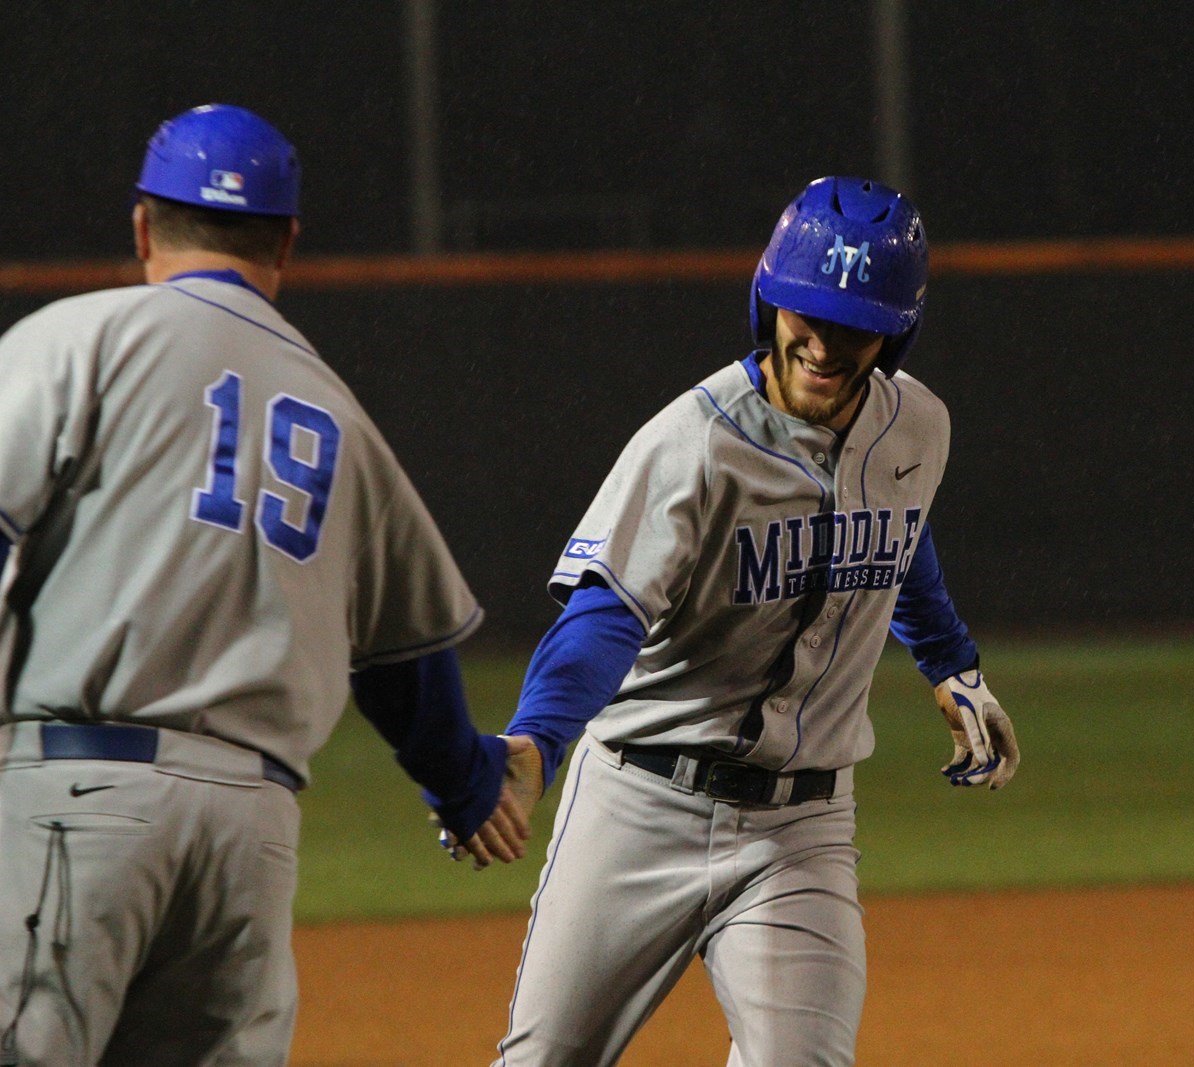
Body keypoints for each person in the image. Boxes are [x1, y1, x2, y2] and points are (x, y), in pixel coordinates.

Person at [0, 103, 533, 1066]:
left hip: (77, 796)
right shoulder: (337, 409)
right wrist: (471, 784)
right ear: (287, 240)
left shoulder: (76, 341)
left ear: (141, 224)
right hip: (250, 836)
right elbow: (404, 656)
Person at [490, 176, 1020, 1066]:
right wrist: (537, 743)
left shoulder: (917, 427)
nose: (821, 341)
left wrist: (952, 665)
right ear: (766, 301)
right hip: (639, 806)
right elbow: (602, 617)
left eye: (854, 324)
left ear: (897, 330)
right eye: (803, 311)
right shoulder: (690, 446)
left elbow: (899, 534)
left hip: (800, 829)